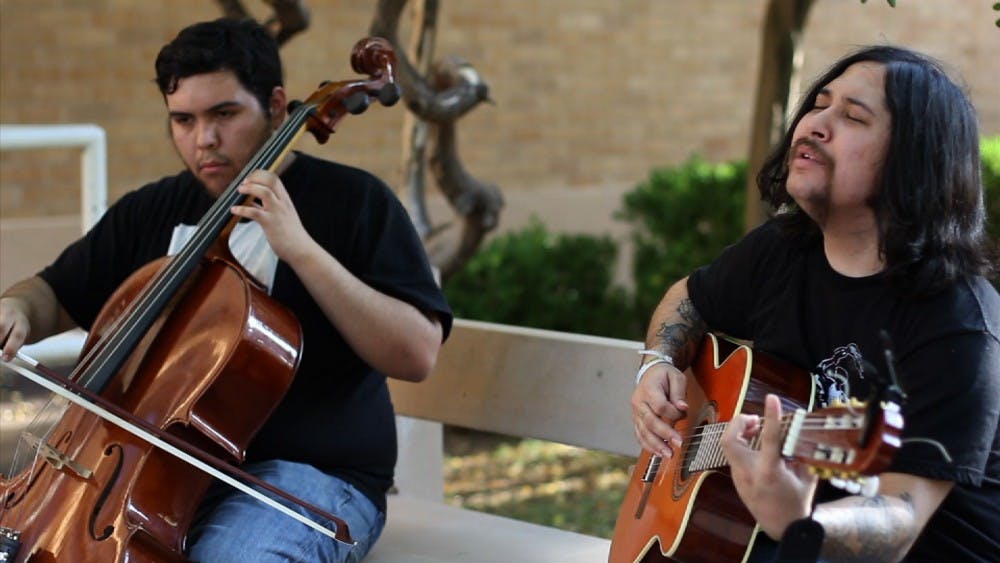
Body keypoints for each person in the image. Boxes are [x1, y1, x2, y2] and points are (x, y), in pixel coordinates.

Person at [0, 17, 451, 562]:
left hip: (306, 483)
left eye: (224, 114)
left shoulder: (354, 203)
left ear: (278, 106)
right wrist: (18, 308)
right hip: (157, 472)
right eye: (183, 120)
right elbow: (53, 292)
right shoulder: (152, 208)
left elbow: (417, 352)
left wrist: (301, 249)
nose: (203, 140)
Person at [631, 45, 998, 562]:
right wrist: (657, 364)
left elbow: (901, 518)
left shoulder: (958, 323)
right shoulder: (784, 249)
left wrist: (800, 522)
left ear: (916, 160)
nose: (814, 124)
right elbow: (687, 297)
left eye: (852, 116)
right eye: (819, 104)